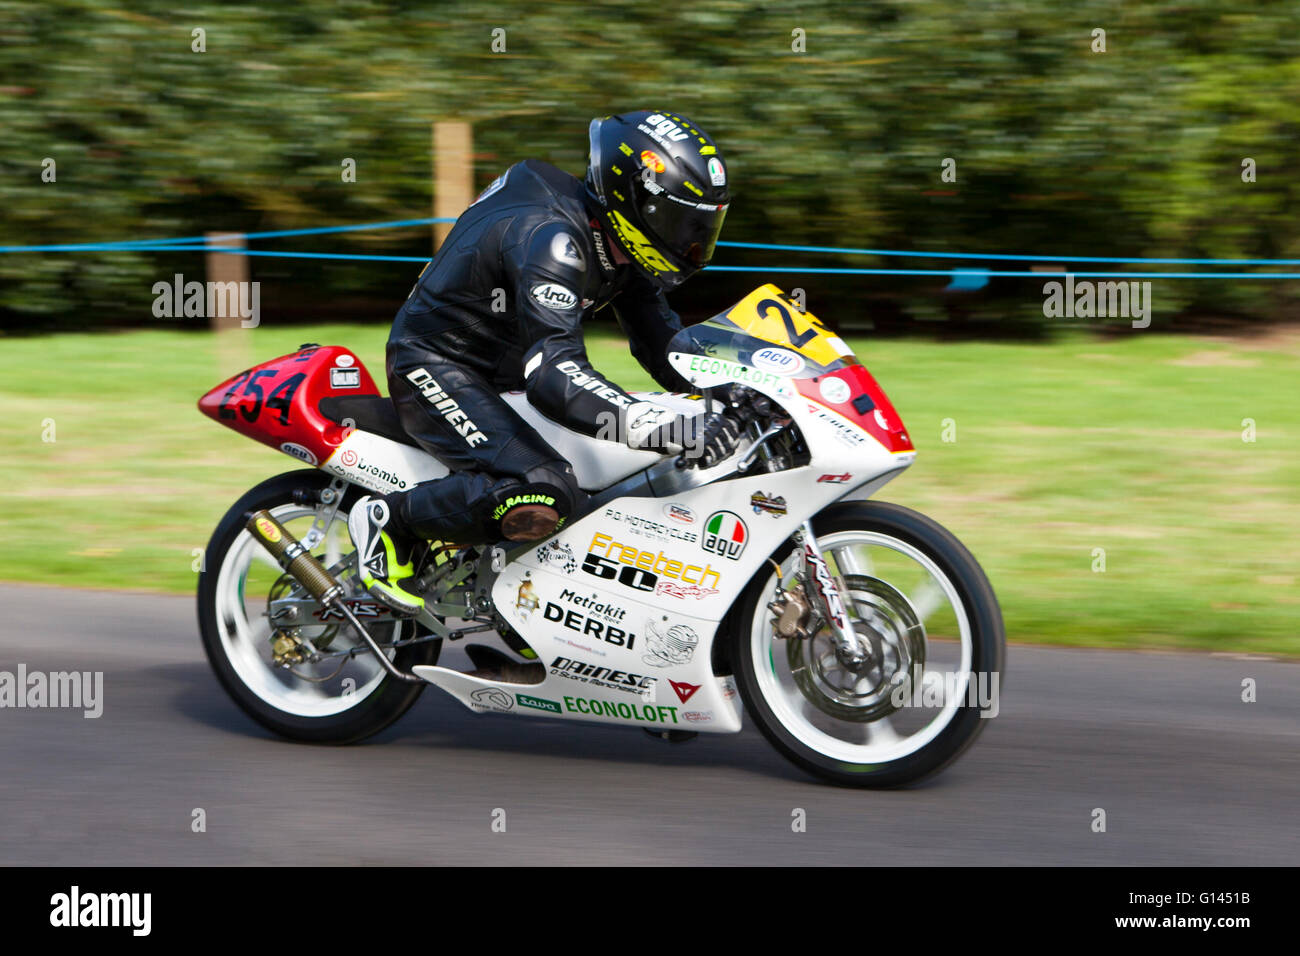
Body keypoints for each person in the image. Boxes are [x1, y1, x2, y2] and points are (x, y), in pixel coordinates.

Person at [348, 110, 743, 614]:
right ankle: (391, 521)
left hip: (503, 373)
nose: (692, 242)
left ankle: (532, 611)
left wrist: (741, 391)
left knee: (609, 478)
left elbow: (663, 345)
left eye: (703, 225)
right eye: (682, 222)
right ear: (634, 198)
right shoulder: (553, 239)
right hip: (439, 364)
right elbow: (555, 375)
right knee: (543, 488)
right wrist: (659, 424)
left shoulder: (623, 242)